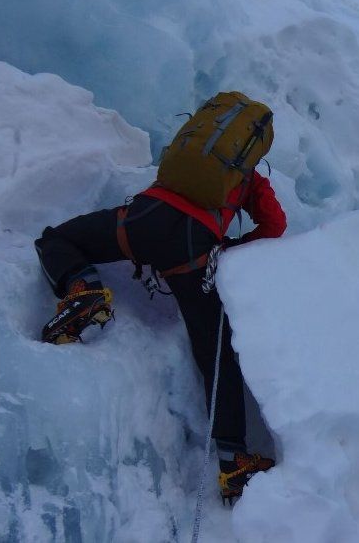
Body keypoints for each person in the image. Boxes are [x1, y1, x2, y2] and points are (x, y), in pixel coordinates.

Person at [34, 91, 286, 504]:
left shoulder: (191, 155)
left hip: (141, 220)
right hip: (191, 251)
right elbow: (275, 226)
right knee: (216, 355)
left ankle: (83, 287)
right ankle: (233, 461)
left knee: (56, 239)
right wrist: (228, 249)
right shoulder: (246, 179)